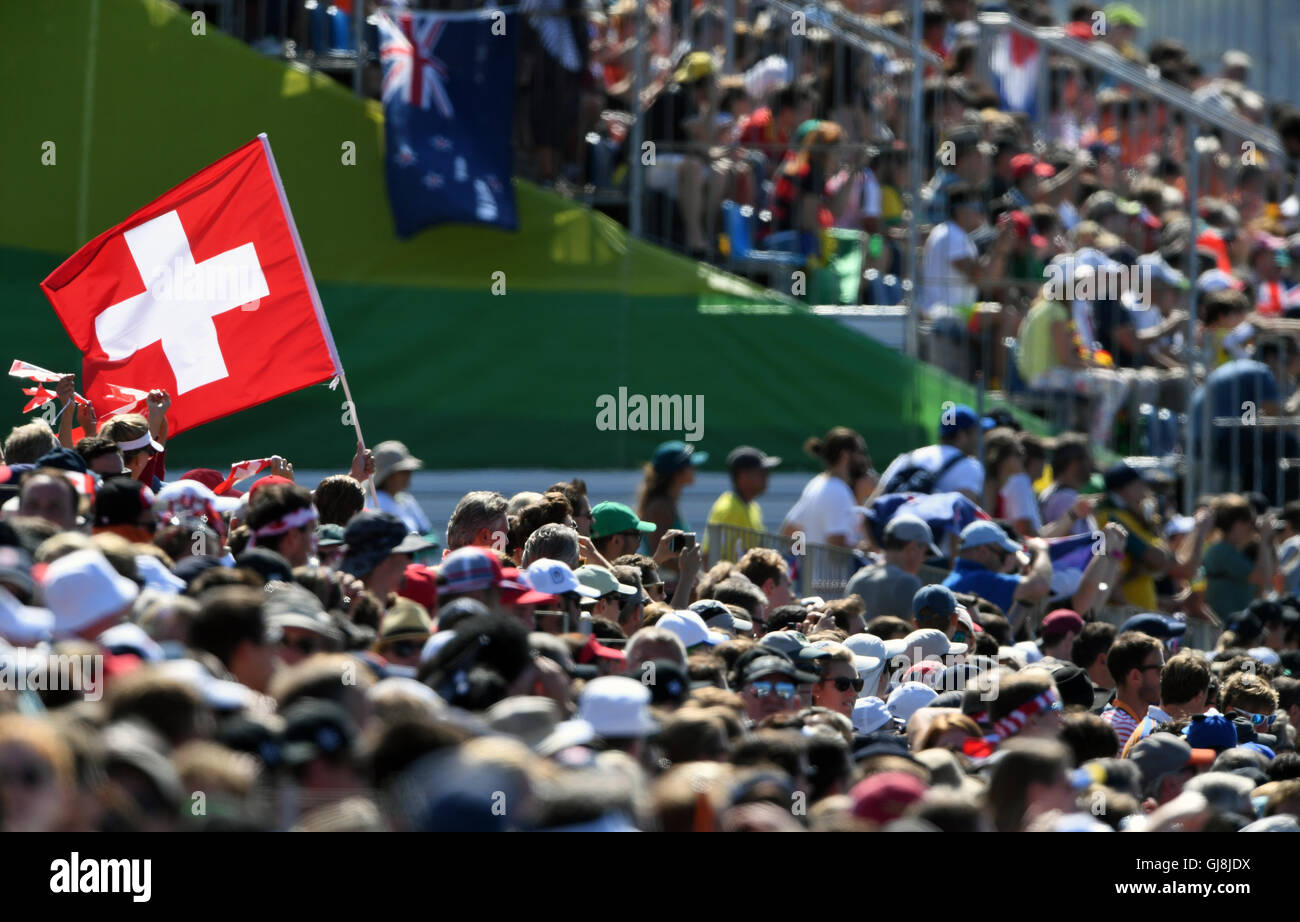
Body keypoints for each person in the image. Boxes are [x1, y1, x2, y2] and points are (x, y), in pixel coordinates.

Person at [873, 404, 988, 504]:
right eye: (977, 433)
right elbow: (962, 517)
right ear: (961, 435)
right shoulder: (971, 466)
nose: (980, 439)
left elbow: (874, 503)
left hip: (891, 528)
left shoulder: (906, 458)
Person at [942, 521, 1052, 622]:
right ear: (983, 551)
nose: (1006, 559)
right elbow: (1040, 585)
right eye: (1003, 553)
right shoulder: (979, 579)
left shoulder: (960, 578)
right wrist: (1041, 550)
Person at [782, 426, 870, 547]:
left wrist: (801, 560)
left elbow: (790, 530)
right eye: (861, 453)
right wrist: (869, 549)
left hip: (815, 566)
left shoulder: (816, 483)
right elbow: (837, 548)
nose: (865, 459)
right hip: (830, 566)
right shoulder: (838, 491)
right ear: (845, 455)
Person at [845, 514, 938, 619]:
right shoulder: (909, 583)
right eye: (925, 552)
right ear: (912, 548)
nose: (923, 559)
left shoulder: (858, 579)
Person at [1200, 493, 1275, 621]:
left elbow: (1268, 580)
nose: (1253, 528)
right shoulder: (1222, 551)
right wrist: (1263, 540)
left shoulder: (1228, 550)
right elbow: (1263, 578)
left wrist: (1268, 542)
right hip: (1227, 625)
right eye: (1251, 523)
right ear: (1239, 524)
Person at [703, 446, 781, 558]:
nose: (767, 476)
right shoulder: (729, 509)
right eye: (761, 471)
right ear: (743, 476)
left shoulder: (753, 506)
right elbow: (709, 555)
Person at [1099, 631, 1165, 754]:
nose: (1163, 678)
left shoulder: (1126, 722)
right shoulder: (1122, 727)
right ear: (1135, 676)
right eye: (1159, 670)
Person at [637, 440, 708, 555]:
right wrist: (693, 570)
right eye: (691, 466)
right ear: (677, 472)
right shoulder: (660, 507)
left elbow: (678, 550)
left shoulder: (668, 503)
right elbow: (661, 555)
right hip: (663, 573)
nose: (695, 469)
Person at [371, 441, 432, 536]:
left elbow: (429, 532)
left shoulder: (406, 500)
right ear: (388, 475)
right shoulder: (374, 503)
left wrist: (422, 545)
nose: (409, 475)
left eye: (409, 471)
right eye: (403, 471)